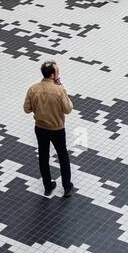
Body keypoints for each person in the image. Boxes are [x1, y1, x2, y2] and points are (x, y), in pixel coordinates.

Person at [23, 60, 74, 197]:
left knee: (43, 156)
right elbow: (68, 109)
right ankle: (67, 187)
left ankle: (47, 185)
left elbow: (26, 109)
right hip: (57, 129)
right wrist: (63, 90)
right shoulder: (59, 90)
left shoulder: (33, 89)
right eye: (57, 72)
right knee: (63, 156)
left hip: (40, 128)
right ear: (52, 75)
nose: (59, 74)